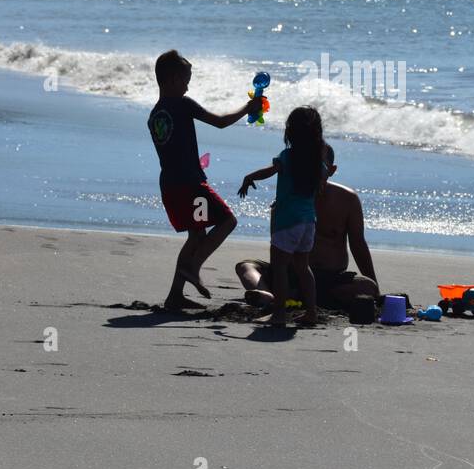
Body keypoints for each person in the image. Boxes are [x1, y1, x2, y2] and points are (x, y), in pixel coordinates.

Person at [147, 50, 262, 310]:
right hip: (190, 184)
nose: (188, 87)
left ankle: (175, 295)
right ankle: (194, 266)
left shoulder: (154, 115)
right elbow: (219, 122)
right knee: (228, 221)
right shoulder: (183, 104)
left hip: (170, 185)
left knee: (196, 234)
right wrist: (248, 108)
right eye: (186, 80)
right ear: (173, 79)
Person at [236, 143, 379, 315]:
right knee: (246, 267)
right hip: (292, 275)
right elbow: (278, 244)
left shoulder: (347, 199)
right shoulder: (288, 198)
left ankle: (298, 296)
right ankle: (269, 294)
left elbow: (358, 244)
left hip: (331, 279)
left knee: (367, 286)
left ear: (331, 170)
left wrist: (375, 287)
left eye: (317, 166)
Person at [238, 107, 327, 328]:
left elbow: (270, 170)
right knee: (303, 267)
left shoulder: (287, 156)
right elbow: (320, 187)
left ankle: (278, 314)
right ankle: (311, 312)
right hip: (308, 222)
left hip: (287, 221)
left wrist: (249, 176)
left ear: (290, 132)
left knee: (279, 269)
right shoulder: (319, 163)